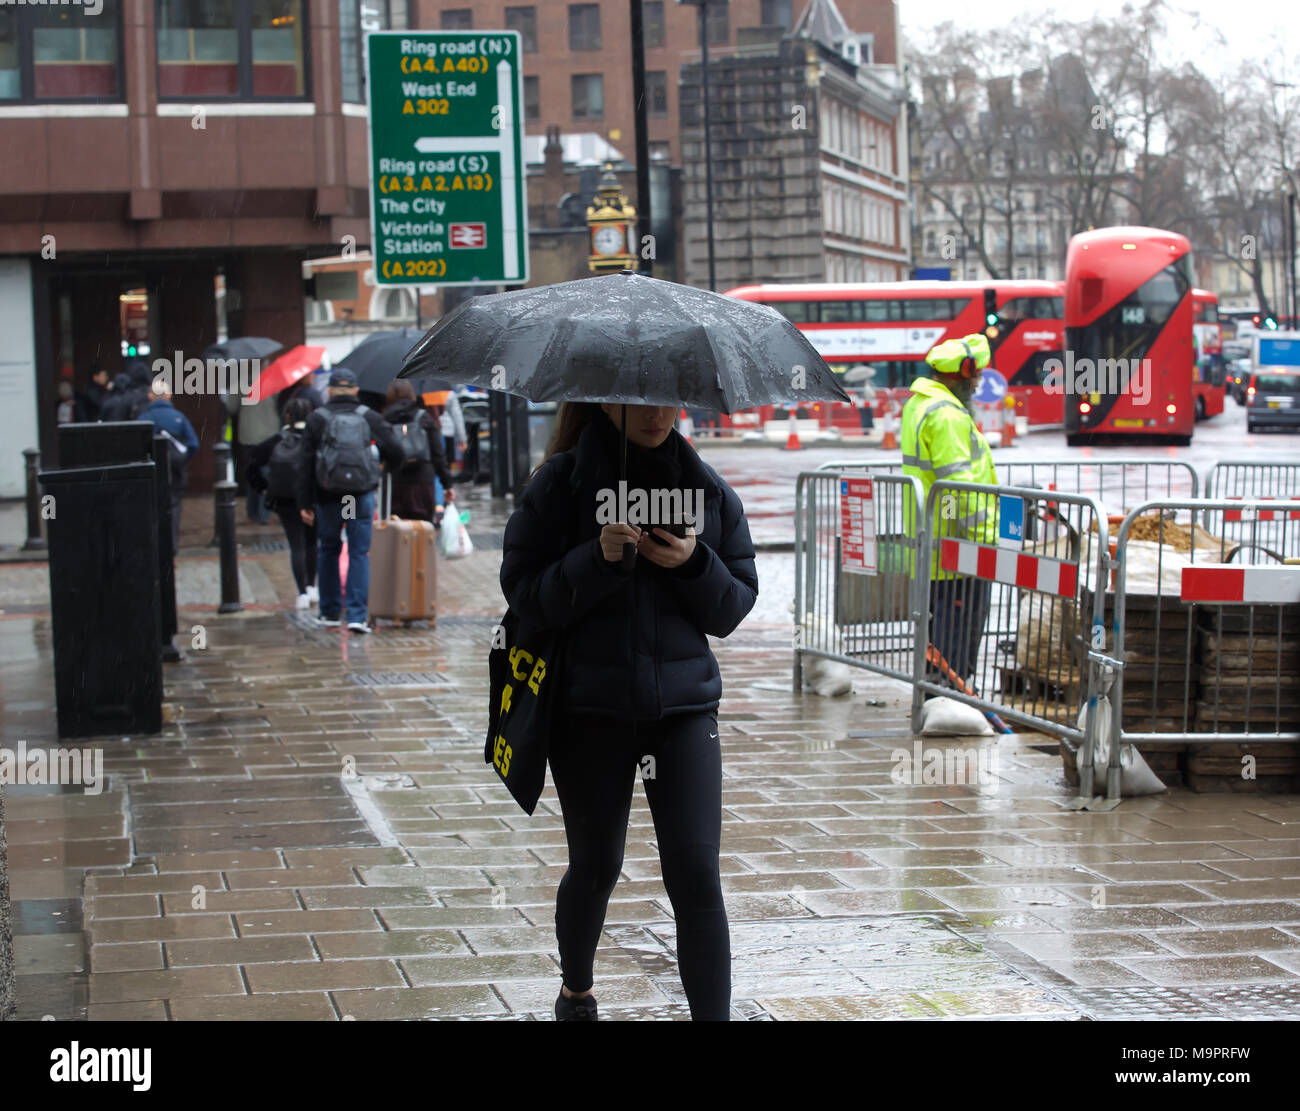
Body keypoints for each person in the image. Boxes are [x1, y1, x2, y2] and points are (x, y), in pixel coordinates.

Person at [500, 401, 758, 1022]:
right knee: (596, 864)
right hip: (589, 710)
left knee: (697, 873)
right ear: (604, 400)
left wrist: (693, 564)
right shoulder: (559, 486)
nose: (658, 413)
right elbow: (524, 594)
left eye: (670, 397)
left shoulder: (705, 489)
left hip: (684, 712)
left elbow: (732, 607)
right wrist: (597, 559)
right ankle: (577, 991)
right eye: (640, 399)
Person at [901, 333, 999, 692]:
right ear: (961, 373)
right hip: (958, 547)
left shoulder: (920, 404)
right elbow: (961, 486)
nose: (977, 384)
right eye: (975, 377)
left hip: (936, 544)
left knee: (941, 626)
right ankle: (949, 695)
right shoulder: (946, 414)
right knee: (957, 629)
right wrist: (986, 539)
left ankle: (939, 692)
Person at [296, 367, 405, 635]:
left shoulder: (317, 419)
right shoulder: (369, 416)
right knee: (358, 552)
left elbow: (303, 464)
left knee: (329, 550)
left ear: (330, 391)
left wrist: (305, 502)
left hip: (328, 494)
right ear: (355, 390)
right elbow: (397, 450)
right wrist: (381, 468)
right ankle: (356, 615)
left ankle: (330, 612)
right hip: (357, 494)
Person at [246, 397, 318, 610]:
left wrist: (264, 487)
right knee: (312, 542)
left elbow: (251, 466)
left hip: (284, 500)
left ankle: (302, 592)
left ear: (287, 416)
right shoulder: (315, 439)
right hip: (312, 498)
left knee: (296, 545)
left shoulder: (276, 440)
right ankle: (312, 586)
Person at [138, 381, 200, 553]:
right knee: (173, 508)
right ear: (169, 395)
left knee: (152, 509)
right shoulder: (180, 418)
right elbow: (194, 444)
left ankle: (154, 546)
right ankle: (171, 547)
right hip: (175, 472)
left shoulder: (144, 419)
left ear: (150, 396)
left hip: (152, 473)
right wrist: (182, 460)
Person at [380, 379, 455, 523]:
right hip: (422, 482)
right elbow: (438, 455)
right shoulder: (424, 417)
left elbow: (381, 453)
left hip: (394, 482)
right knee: (422, 530)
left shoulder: (384, 419)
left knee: (395, 530)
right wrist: (447, 484)